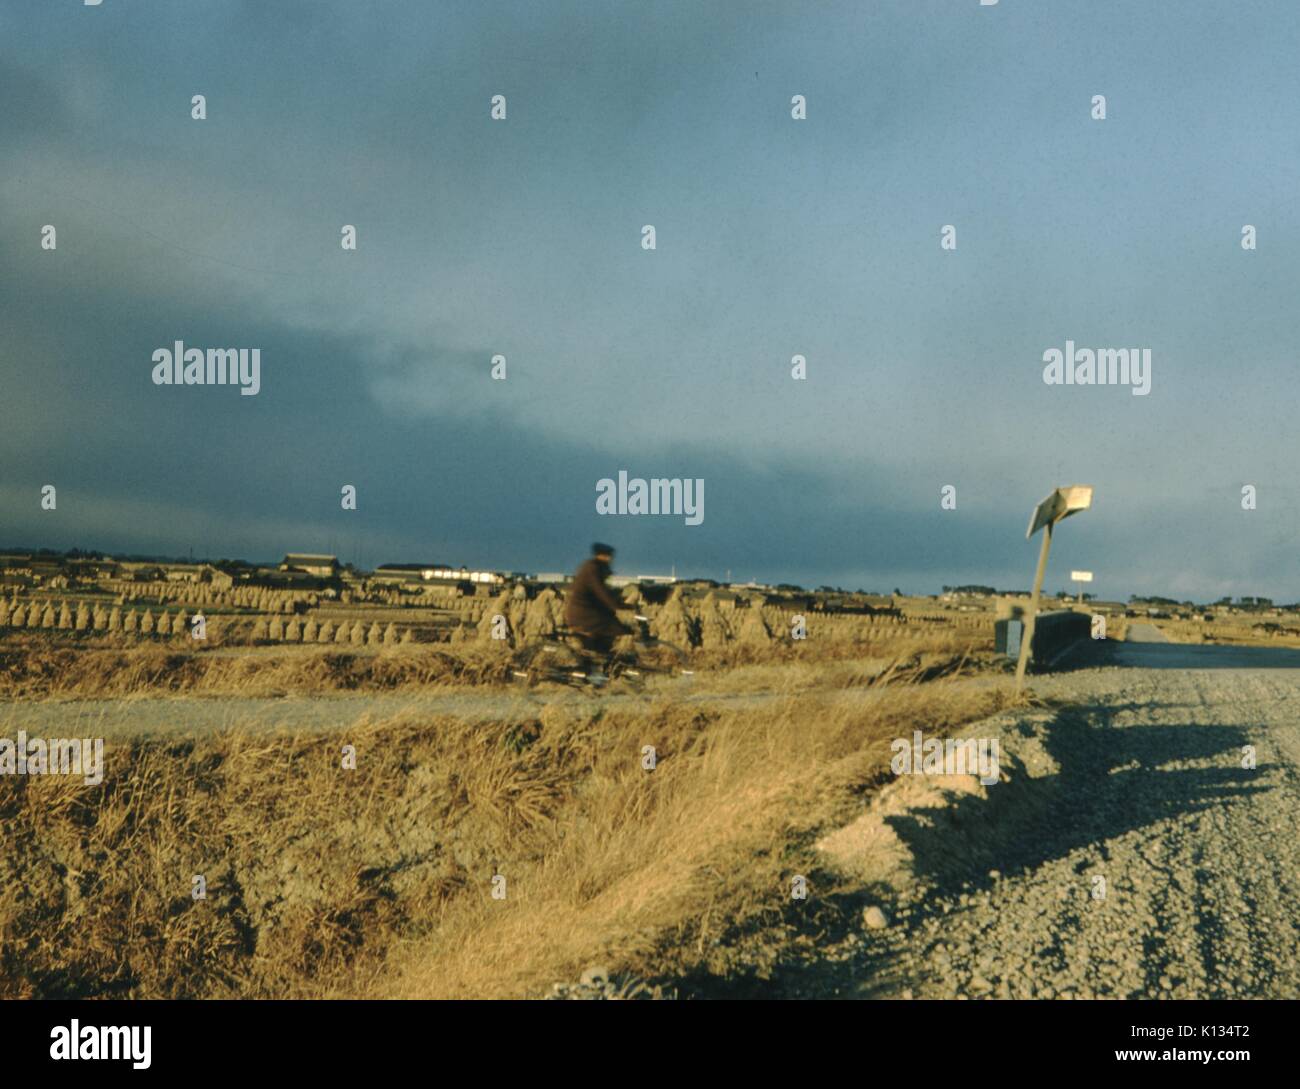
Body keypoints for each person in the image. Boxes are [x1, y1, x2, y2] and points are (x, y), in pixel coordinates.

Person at [565, 543, 635, 676]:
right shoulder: (592, 569)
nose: (611, 559)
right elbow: (601, 592)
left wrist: (617, 603)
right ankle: (602, 670)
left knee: (600, 642)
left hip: (586, 612)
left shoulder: (594, 567)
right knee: (618, 629)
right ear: (602, 555)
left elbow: (604, 593)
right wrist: (620, 606)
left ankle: (596, 670)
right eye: (609, 556)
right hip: (584, 614)